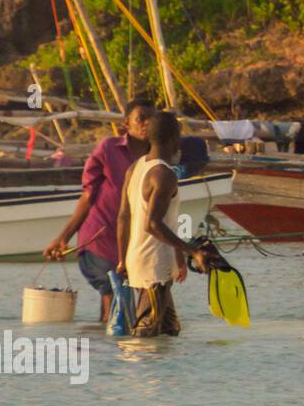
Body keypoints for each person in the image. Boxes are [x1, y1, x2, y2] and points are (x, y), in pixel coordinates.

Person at [45, 98, 156, 324]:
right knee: (113, 291)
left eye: (150, 119)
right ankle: (108, 353)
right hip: (99, 238)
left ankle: (114, 349)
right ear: (127, 124)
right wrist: (63, 237)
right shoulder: (109, 149)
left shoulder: (156, 155)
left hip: (133, 241)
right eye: (140, 119)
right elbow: (88, 196)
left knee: (132, 301)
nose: (146, 124)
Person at [115, 112, 209, 338]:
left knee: (169, 332)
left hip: (140, 259)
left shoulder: (135, 168)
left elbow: (123, 218)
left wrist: (122, 260)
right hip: (153, 266)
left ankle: (167, 374)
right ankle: (134, 373)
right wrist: (193, 251)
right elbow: (153, 225)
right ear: (174, 140)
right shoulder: (164, 175)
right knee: (144, 336)